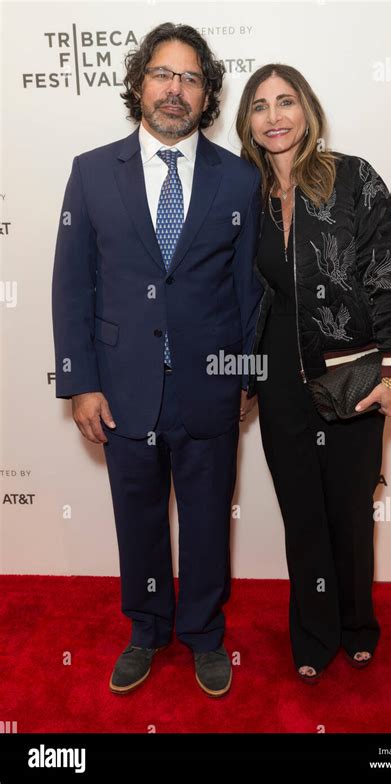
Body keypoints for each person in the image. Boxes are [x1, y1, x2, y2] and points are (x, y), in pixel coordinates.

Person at [51, 22, 262, 698]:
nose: (176, 89)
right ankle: (146, 630)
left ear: (207, 95)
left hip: (209, 389)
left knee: (206, 518)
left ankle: (203, 634)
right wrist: (80, 383)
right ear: (141, 83)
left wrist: (246, 375)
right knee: (137, 517)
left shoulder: (239, 180)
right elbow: (71, 284)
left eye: (191, 78)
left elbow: (251, 292)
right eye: (164, 75)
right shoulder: (90, 172)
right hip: (122, 387)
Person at [236, 64, 391, 683]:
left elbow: (389, 272)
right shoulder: (245, 193)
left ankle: (358, 624)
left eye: (286, 102)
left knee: (349, 507)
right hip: (277, 377)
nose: (275, 116)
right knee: (302, 512)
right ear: (248, 122)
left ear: (307, 110)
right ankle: (313, 635)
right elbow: (238, 296)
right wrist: (242, 375)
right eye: (260, 106)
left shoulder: (353, 178)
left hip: (351, 370)